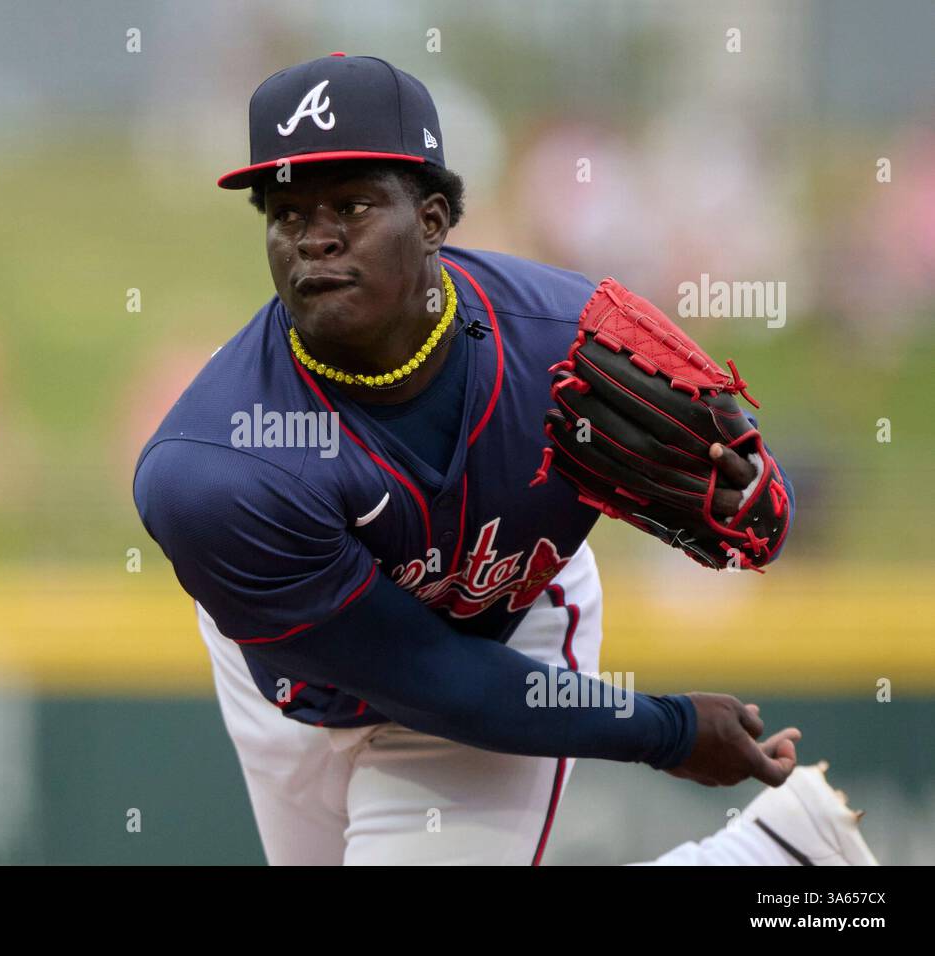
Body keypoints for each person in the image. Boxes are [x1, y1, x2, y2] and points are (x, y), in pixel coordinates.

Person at [133, 53, 877, 865]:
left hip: (511, 619)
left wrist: (765, 500)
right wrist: (667, 731)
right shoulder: (215, 468)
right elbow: (425, 674)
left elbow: (753, 507)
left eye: (351, 203)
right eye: (287, 211)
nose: (315, 237)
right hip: (303, 673)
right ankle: (771, 859)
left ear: (434, 218)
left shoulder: (565, 350)